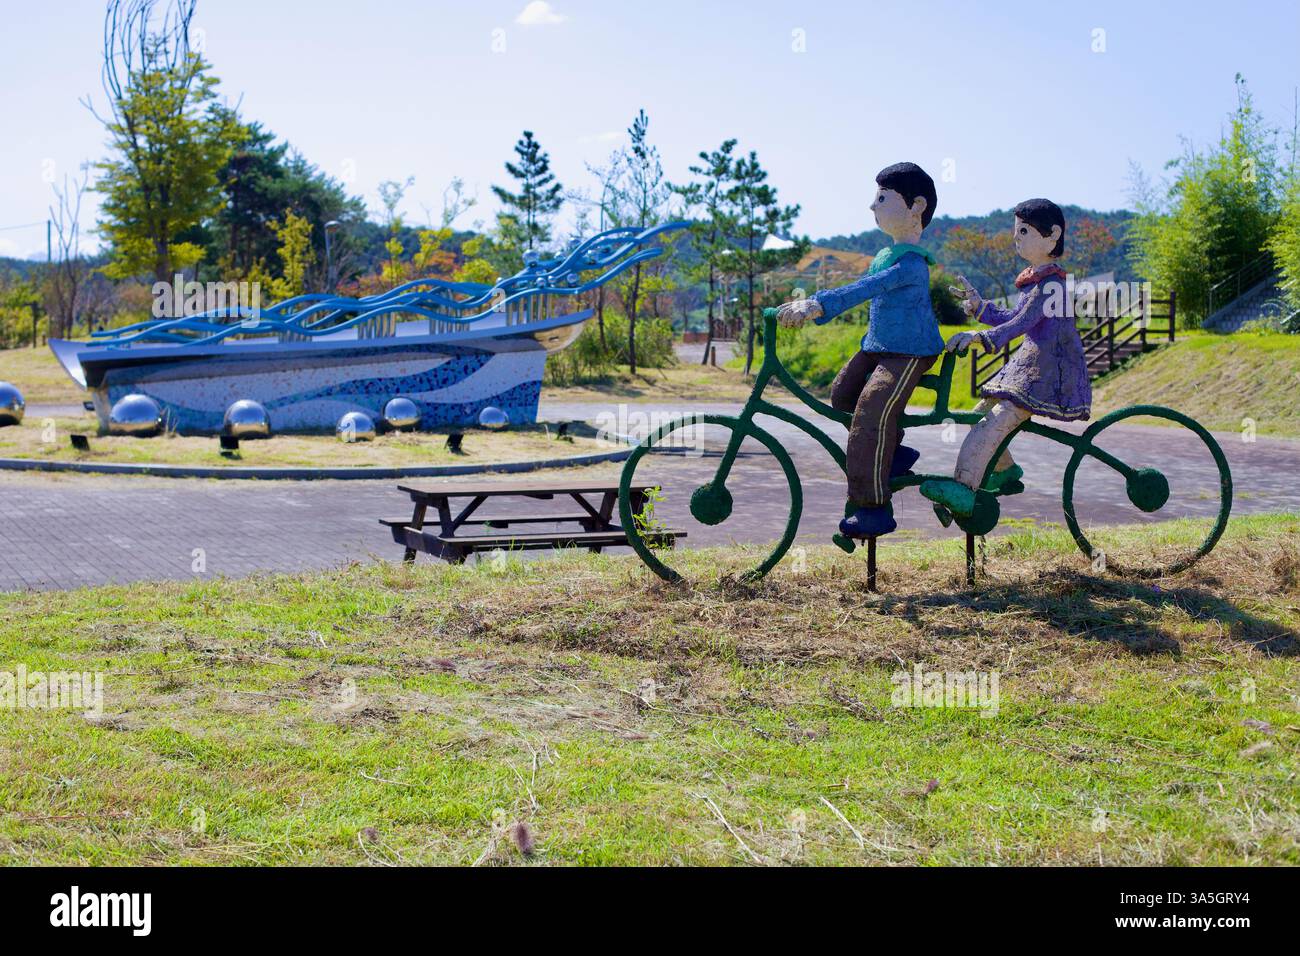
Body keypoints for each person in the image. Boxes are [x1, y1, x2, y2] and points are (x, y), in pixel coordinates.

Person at [776, 162, 943, 538]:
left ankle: (872, 508)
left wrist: (817, 304)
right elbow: (866, 285)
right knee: (842, 394)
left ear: (916, 207)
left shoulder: (912, 265)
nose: (873, 206)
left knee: (870, 412)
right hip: (878, 345)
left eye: (883, 198)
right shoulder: (886, 255)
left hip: (909, 350)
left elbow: (866, 289)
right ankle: (894, 453)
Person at [921, 198, 1091, 519]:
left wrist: (980, 337)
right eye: (1016, 231)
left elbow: (1021, 323)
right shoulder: (1037, 280)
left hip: (1047, 373)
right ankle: (1006, 472)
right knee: (980, 413)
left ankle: (964, 489)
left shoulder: (1051, 285)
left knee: (991, 423)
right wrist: (980, 307)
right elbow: (1014, 315)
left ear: (1052, 235)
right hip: (1030, 367)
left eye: (1024, 231)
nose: (1017, 238)